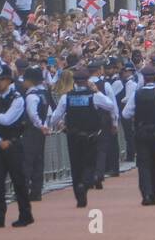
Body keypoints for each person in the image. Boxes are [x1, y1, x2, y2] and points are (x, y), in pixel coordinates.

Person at [47, 67, 119, 207]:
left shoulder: (66, 97)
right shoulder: (94, 96)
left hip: (73, 136)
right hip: (91, 136)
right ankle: (85, 184)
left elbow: (55, 117)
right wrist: (97, 91)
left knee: (76, 165)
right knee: (90, 163)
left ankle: (79, 195)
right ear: (87, 81)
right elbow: (110, 106)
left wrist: (59, 124)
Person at [0, 67, 34, 229]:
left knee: (19, 181)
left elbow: (7, 120)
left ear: (8, 80)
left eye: (0, 79)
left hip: (13, 143)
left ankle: (25, 215)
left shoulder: (17, 98)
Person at [121, 66, 155, 205]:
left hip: (141, 132)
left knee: (144, 165)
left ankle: (146, 194)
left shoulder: (136, 94)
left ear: (144, 79)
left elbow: (126, 113)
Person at [21, 66, 51, 202]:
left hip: (32, 130)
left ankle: (25, 189)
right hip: (40, 130)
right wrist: (45, 126)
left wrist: (40, 125)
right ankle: (36, 191)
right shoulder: (44, 93)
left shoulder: (31, 96)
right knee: (38, 160)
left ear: (30, 81)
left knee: (28, 161)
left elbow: (32, 114)